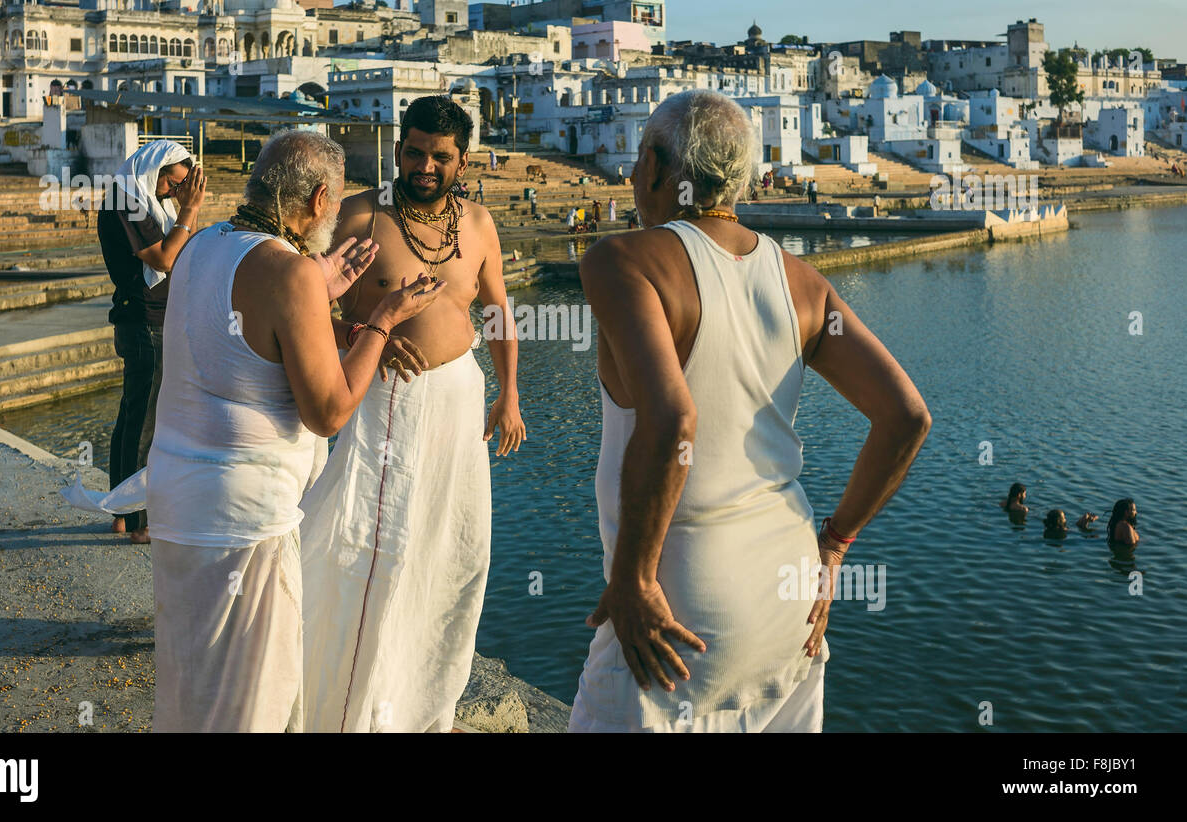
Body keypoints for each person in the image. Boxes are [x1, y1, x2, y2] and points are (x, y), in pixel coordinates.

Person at [569, 90, 930, 733]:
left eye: (637, 160)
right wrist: (836, 546)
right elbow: (906, 416)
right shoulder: (802, 284)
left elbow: (674, 420)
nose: (630, 176)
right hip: (790, 594)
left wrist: (633, 577)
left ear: (653, 164)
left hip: (683, 599)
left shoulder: (622, 262)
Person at [146, 129, 444, 731]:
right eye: (333, 206)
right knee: (251, 699)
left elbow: (242, 338)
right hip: (243, 517)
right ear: (316, 201)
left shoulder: (203, 244)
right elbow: (328, 412)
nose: (334, 217)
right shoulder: (290, 272)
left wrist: (318, 291)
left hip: (176, 498)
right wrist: (382, 319)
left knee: (190, 680)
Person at [300, 95, 527, 732]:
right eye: (415, 152)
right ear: (399, 150)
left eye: (440, 156)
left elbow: (499, 313)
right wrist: (358, 333)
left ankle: (426, 697)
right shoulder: (360, 216)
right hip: (384, 399)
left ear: (463, 159)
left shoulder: (479, 225)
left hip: (458, 399)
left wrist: (507, 393)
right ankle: (350, 691)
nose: (425, 165)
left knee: (454, 544)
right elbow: (304, 303)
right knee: (374, 544)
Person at [96, 140, 204, 543]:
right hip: (144, 321)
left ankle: (122, 513)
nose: (173, 194)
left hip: (147, 318)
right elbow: (163, 258)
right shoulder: (128, 199)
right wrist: (189, 211)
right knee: (144, 423)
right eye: (172, 184)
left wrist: (184, 209)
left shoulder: (139, 199)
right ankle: (140, 522)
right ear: (153, 168)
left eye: (178, 188)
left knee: (132, 416)